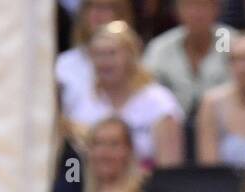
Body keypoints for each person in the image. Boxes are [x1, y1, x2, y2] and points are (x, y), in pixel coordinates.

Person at [65, 20, 185, 168]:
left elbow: (170, 171)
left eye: (111, 53)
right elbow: (73, 166)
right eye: (98, 54)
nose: (104, 62)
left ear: (130, 56)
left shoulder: (160, 103)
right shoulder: (81, 104)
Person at [194, 29, 245, 169]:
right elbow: (209, 168)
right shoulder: (212, 103)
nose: (243, 67)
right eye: (236, 59)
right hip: (224, 185)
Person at [143, 0, 231, 115]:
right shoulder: (160, 48)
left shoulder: (228, 41)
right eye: (189, 6)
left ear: (217, 8)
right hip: (173, 123)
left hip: (225, 123)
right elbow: (146, 90)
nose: (196, 13)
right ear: (176, 11)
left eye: (203, 5)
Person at [56, 0, 134, 115]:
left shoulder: (133, 63)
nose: (97, 14)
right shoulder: (62, 65)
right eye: (91, 6)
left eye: (106, 7)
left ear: (121, 13)